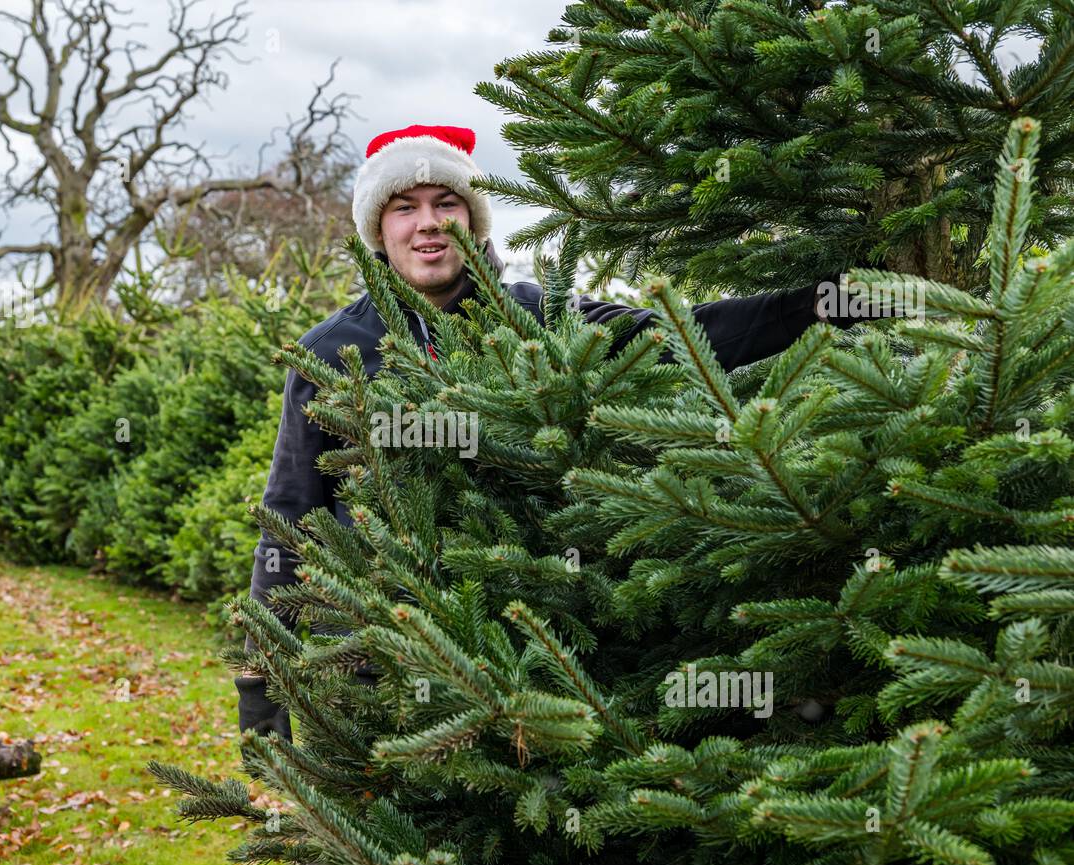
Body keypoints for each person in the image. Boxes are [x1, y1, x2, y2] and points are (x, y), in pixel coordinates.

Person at [236, 123, 860, 742]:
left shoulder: (543, 316)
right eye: (405, 208)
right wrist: (263, 690)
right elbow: (289, 514)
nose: (428, 223)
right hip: (384, 667)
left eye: (446, 203)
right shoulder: (330, 353)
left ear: (473, 221)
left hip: (541, 653)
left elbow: (677, 334)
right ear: (379, 229)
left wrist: (824, 303)